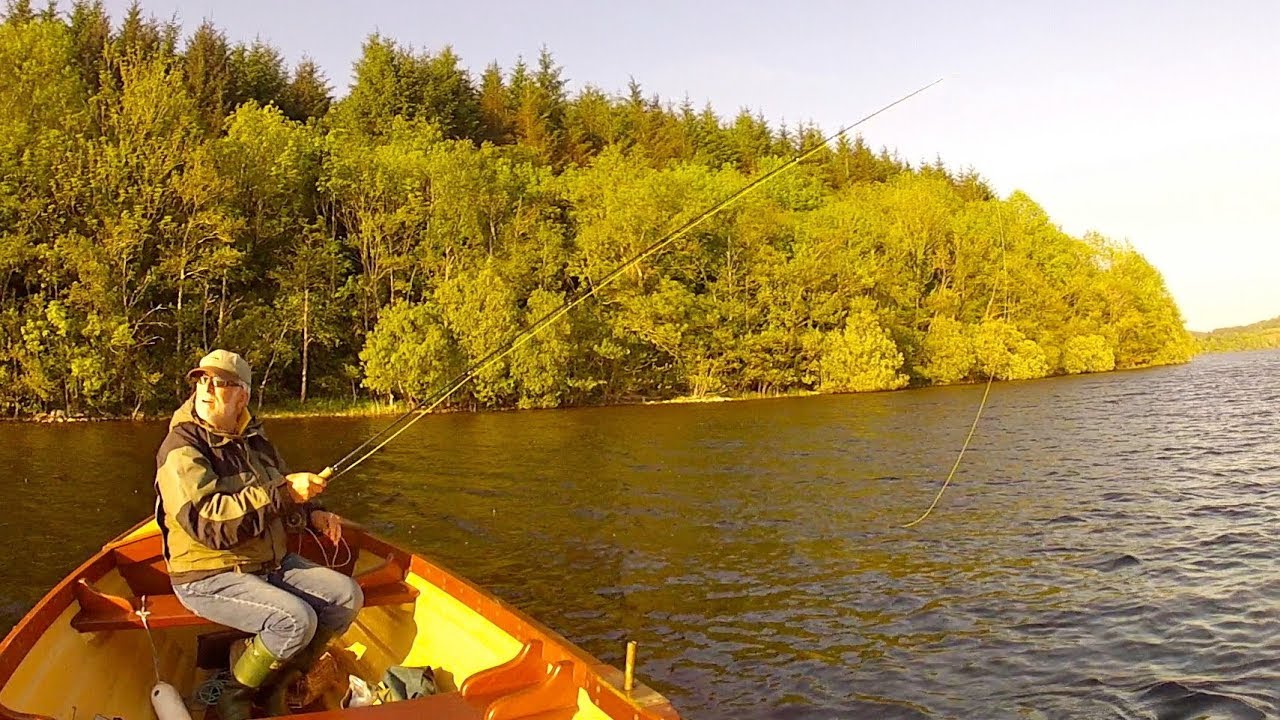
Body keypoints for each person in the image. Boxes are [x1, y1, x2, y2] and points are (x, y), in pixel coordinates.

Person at [153, 349, 364, 719]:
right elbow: (209, 523)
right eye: (201, 379)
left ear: (242, 395)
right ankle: (231, 698)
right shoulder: (181, 448)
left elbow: (281, 487)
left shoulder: (254, 438)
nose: (206, 388)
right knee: (295, 619)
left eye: (219, 382)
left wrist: (314, 511)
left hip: (265, 563)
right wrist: (283, 494)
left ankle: (280, 682)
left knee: (346, 597)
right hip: (207, 574)